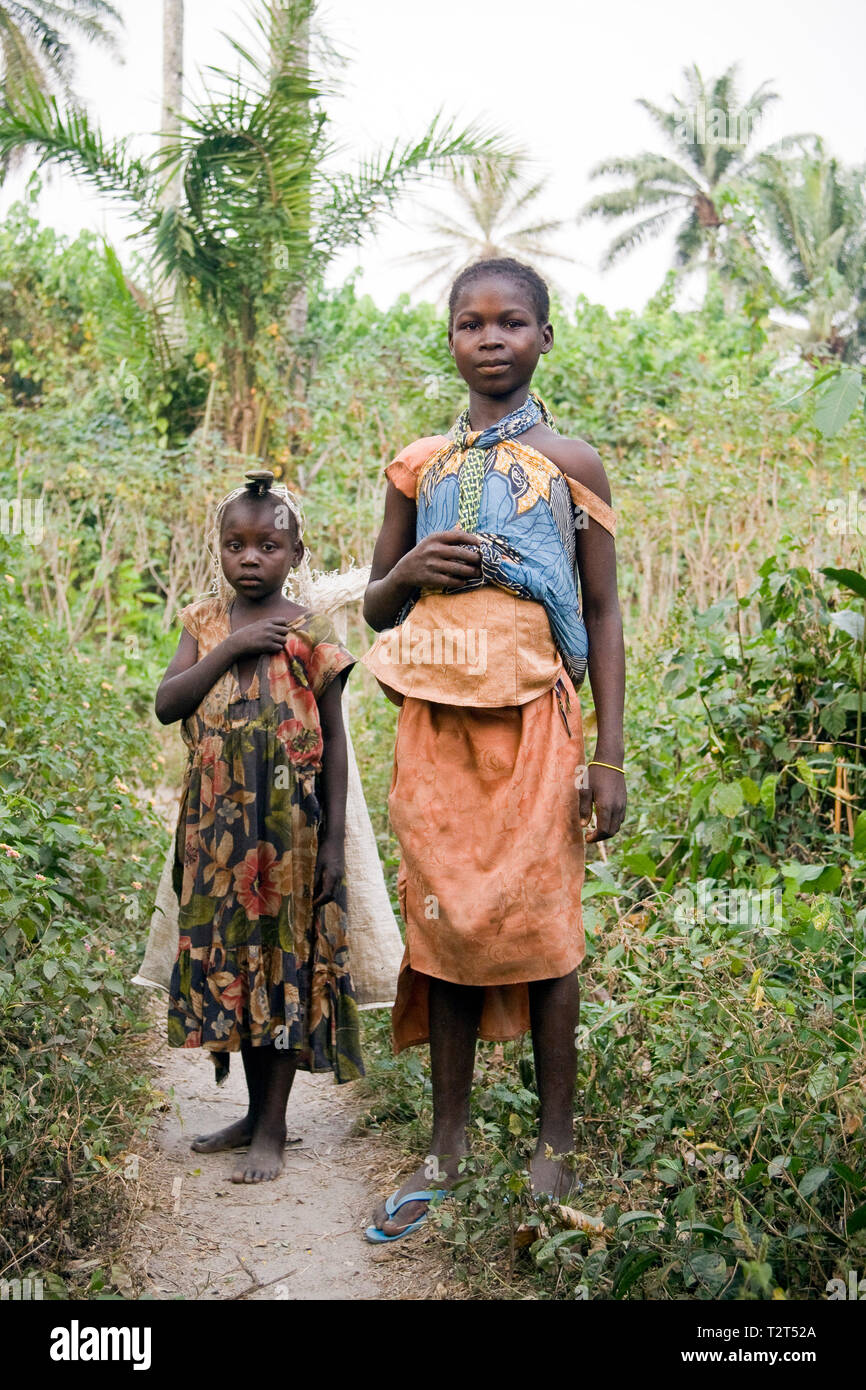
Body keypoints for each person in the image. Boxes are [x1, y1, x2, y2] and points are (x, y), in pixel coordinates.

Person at [361, 257, 626, 1240]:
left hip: (534, 724)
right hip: (434, 724)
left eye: (509, 322)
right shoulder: (418, 465)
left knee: (543, 919)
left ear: (542, 338)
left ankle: (552, 1139)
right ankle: (447, 1143)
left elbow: (599, 610)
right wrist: (413, 566)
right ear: (449, 339)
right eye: (469, 323)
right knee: (445, 924)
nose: (488, 337)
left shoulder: (571, 463)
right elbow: (376, 602)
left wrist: (610, 753)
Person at [155, 470, 363, 1185]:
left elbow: (333, 743)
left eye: (269, 545)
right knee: (237, 970)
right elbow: (166, 702)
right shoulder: (204, 623)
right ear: (218, 551)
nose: (251, 558)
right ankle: (251, 1113)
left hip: (290, 837)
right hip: (217, 836)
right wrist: (232, 650)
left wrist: (334, 840)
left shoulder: (310, 631)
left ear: (297, 554)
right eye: (236, 544)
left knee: (281, 970)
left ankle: (273, 1126)